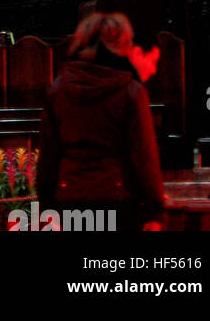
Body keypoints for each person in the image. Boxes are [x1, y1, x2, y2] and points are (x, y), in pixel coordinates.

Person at [37, 12, 167, 231]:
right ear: (122, 45)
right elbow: (144, 154)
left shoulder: (58, 90)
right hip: (118, 198)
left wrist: (46, 207)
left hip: (70, 196)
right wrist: (154, 209)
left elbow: (49, 155)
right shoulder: (130, 92)